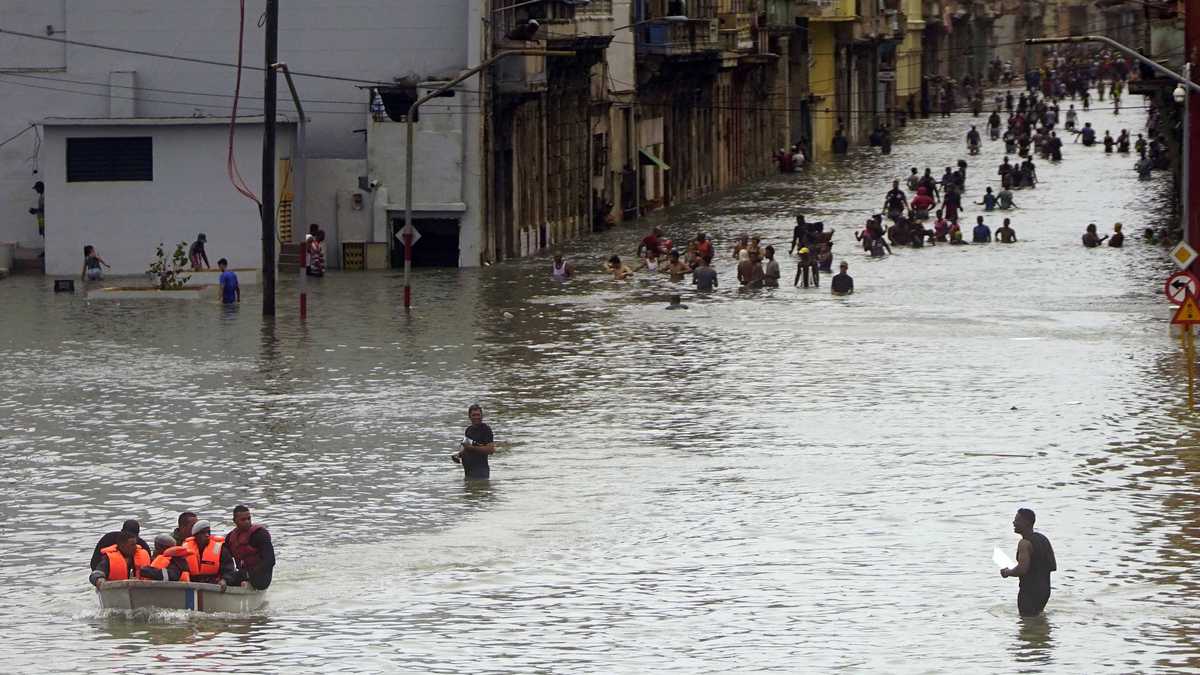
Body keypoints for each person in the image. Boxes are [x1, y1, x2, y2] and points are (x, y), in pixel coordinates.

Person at [1000, 508, 1057, 617]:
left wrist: (1007, 572)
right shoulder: (1043, 539)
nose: (1013, 523)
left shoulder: (1024, 543)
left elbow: (1022, 569)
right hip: (1045, 590)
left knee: (1026, 621)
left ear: (1026, 522)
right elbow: (1052, 566)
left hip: (1029, 592)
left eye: (1017, 520)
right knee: (1038, 619)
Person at [226, 505, 275, 590]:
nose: (247, 522)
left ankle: (247, 584)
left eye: (249, 518)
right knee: (226, 577)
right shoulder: (230, 537)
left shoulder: (260, 534)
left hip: (262, 576)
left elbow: (270, 561)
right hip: (243, 573)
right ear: (234, 521)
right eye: (243, 520)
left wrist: (250, 574)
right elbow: (226, 559)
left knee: (237, 577)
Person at [182, 521, 237, 586]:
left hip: (213, 584)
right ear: (195, 536)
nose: (207, 535)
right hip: (191, 584)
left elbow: (229, 570)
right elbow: (178, 569)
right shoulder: (184, 549)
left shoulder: (220, 549)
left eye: (208, 532)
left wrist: (225, 580)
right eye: (203, 533)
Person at [451, 404, 495, 480]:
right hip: (468, 471)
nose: (476, 417)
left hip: (481, 472)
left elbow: (491, 450)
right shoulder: (468, 430)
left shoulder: (486, 429)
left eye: (478, 415)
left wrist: (472, 447)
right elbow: (467, 448)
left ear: (482, 416)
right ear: (469, 416)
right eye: (474, 415)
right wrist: (458, 455)